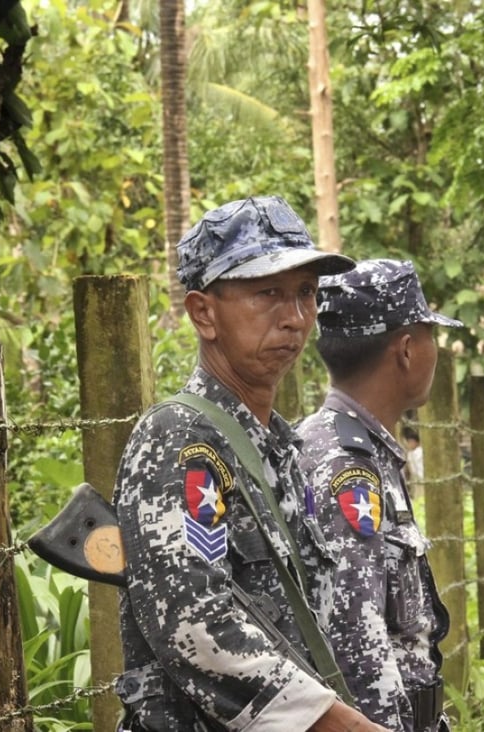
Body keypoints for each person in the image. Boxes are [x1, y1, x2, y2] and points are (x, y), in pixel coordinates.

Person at [112, 196, 383, 731]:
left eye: (306, 292)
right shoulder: (181, 440)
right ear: (203, 313)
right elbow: (194, 626)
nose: (295, 318)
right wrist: (327, 720)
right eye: (268, 294)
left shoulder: (278, 447)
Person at [298, 259, 460, 732]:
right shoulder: (347, 468)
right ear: (407, 350)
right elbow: (356, 645)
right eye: (430, 336)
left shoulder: (346, 446)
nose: (435, 351)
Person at [402, 426, 425, 499]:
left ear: (417, 442)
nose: (410, 444)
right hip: (415, 477)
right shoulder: (410, 454)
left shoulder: (420, 451)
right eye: (409, 442)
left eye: (412, 442)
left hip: (422, 476)